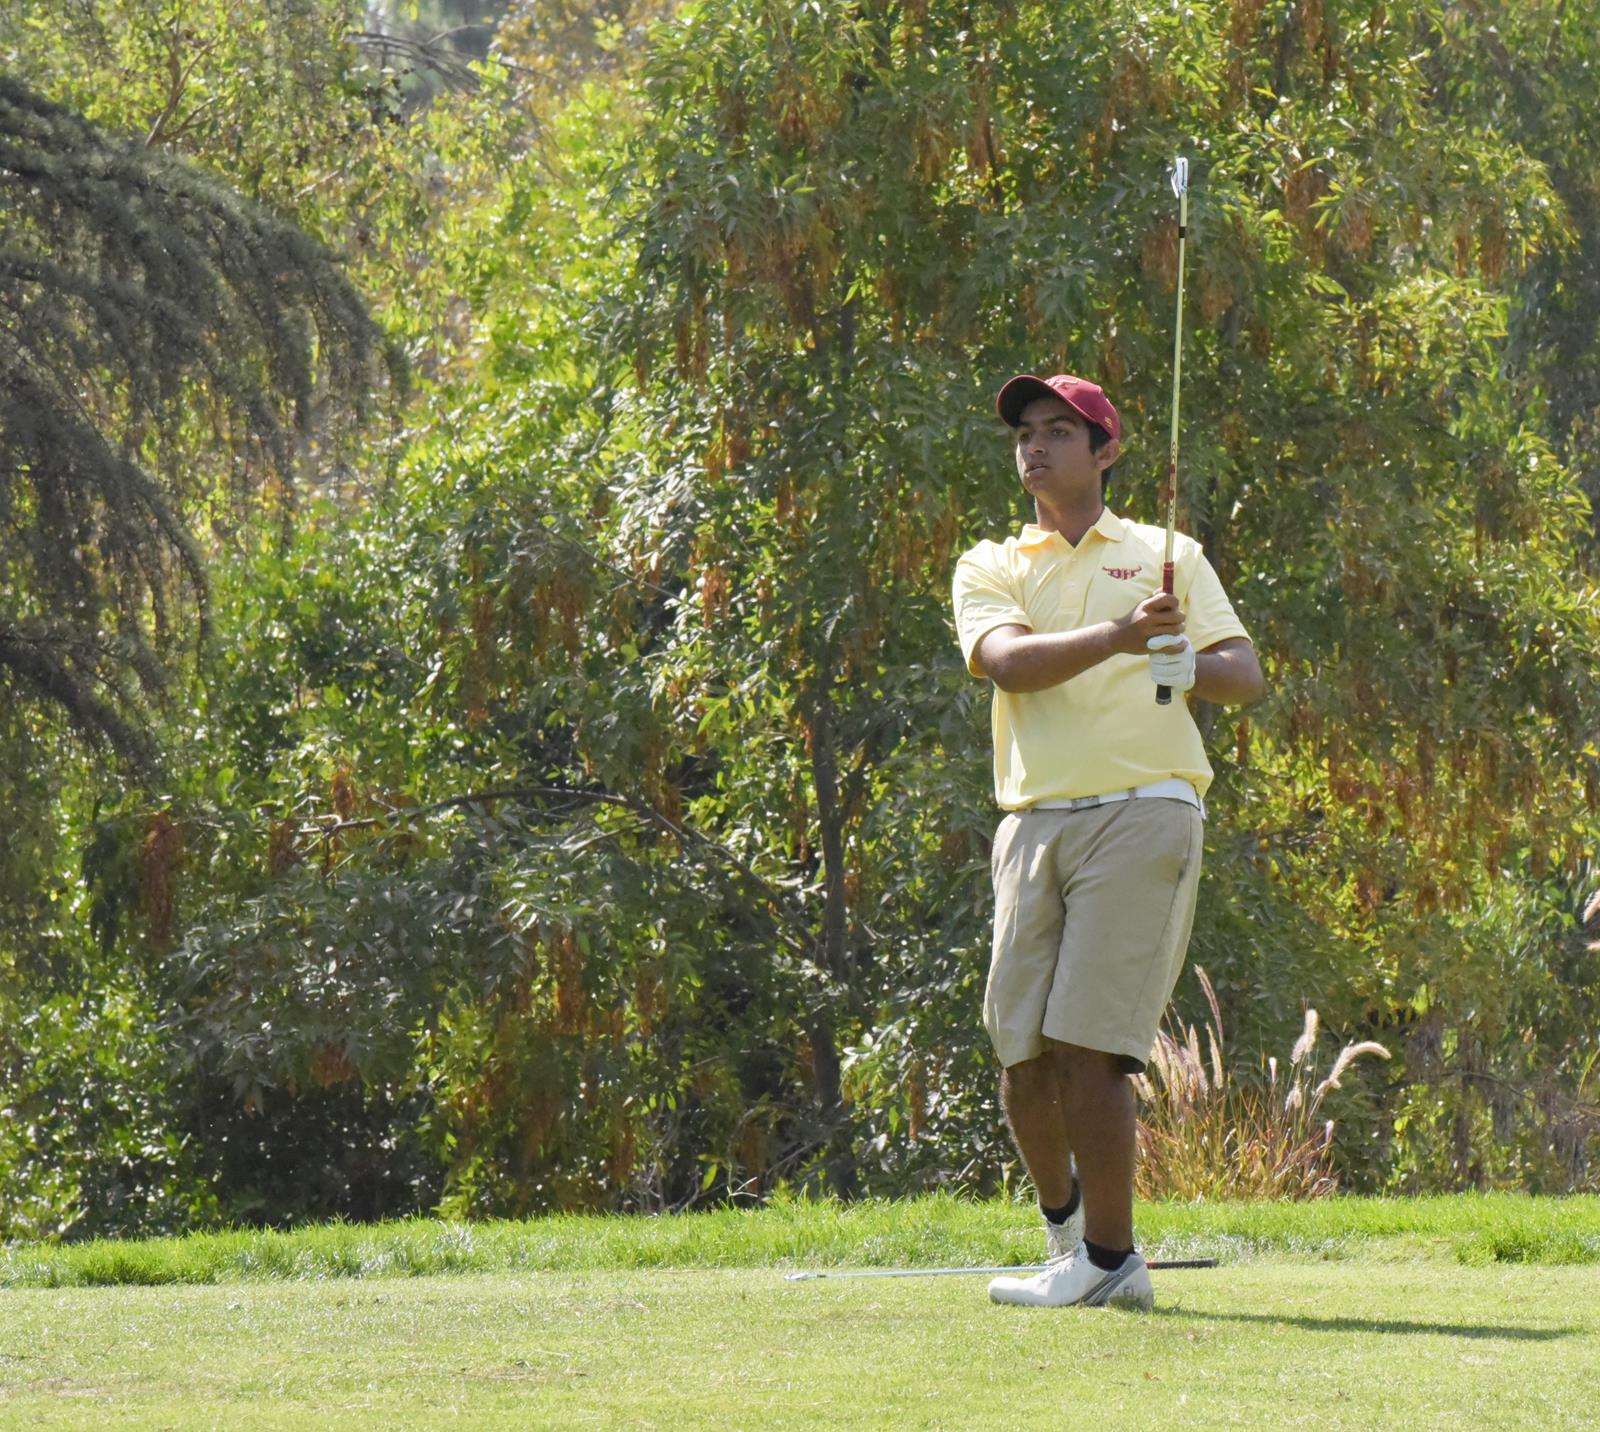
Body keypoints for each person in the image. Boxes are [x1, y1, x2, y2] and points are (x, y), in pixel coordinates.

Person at [951, 372, 1264, 1309]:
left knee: (1091, 1044)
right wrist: (1123, 638)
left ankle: (1111, 1264)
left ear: (1107, 449)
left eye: (1058, 431)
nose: (1035, 447)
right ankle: (1068, 1234)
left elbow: (1242, 675)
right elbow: (1006, 662)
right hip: (1033, 817)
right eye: (1025, 434)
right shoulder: (992, 563)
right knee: (1022, 1055)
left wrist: (1187, 664)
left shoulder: (1169, 554)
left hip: (1145, 807)